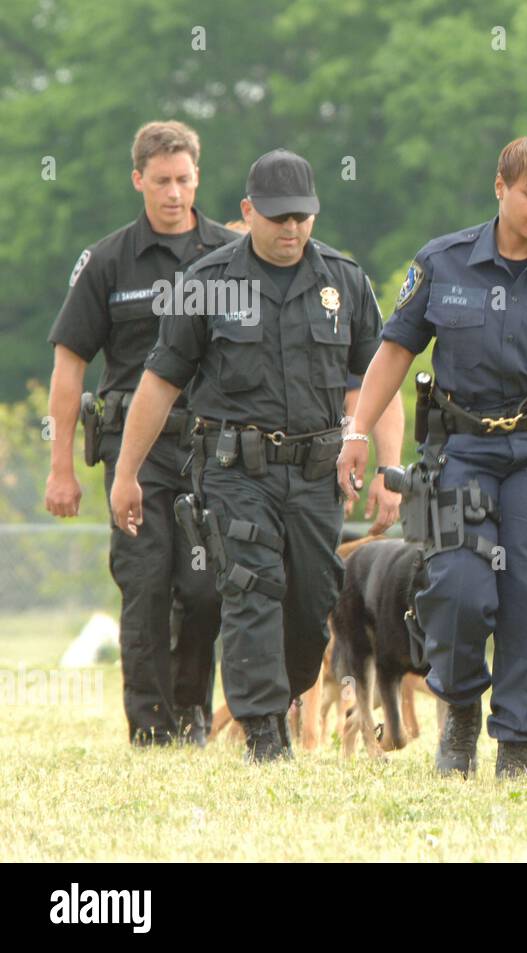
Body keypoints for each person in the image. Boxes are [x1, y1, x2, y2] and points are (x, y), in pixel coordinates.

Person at [337, 135, 527, 780]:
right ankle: (461, 714)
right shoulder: (442, 265)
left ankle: (517, 747)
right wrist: (357, 432)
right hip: (460, 449)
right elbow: (393, 353)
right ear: (500, 188)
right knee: (459, 590)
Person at [110, 148, 402, 762]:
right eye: (277, 217)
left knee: (311, 606)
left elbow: (375, 381)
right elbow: (160, 382)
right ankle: (265, 733)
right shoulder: (207, 284)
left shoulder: (344, 281)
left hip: (317, 475)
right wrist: (127, 472)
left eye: (302, 216)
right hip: (236, 473)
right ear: (248, 212)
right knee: (250, 588)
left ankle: (285, 691)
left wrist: (386, 465)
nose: (291, 228)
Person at [46, 120, 239, 746]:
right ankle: (152, 730)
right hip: (136, 450)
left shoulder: (229, 255)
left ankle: (190, 715)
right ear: (139, 180)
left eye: (184, 180)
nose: (175, 193)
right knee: (147, 586)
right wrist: (60, 468)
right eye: (161, 181)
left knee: (207, 589)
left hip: (211, 448)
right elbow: (69, 369)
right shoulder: (107, 261)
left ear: (198, 177)